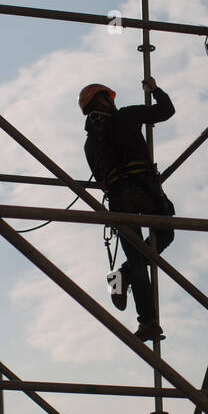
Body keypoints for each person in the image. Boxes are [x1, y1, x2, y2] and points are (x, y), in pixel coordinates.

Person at [80, 77, 175, 342]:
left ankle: (146, 320)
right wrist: (155, 90)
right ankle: (126, 282)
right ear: (103, 100)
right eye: (108, 98)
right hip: (144, 190)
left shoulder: (90, 143)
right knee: (163, 236)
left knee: (137, 260)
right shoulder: (125, 117)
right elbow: (166, 111)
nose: (112, 101)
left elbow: (100, 180)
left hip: (121, 197)